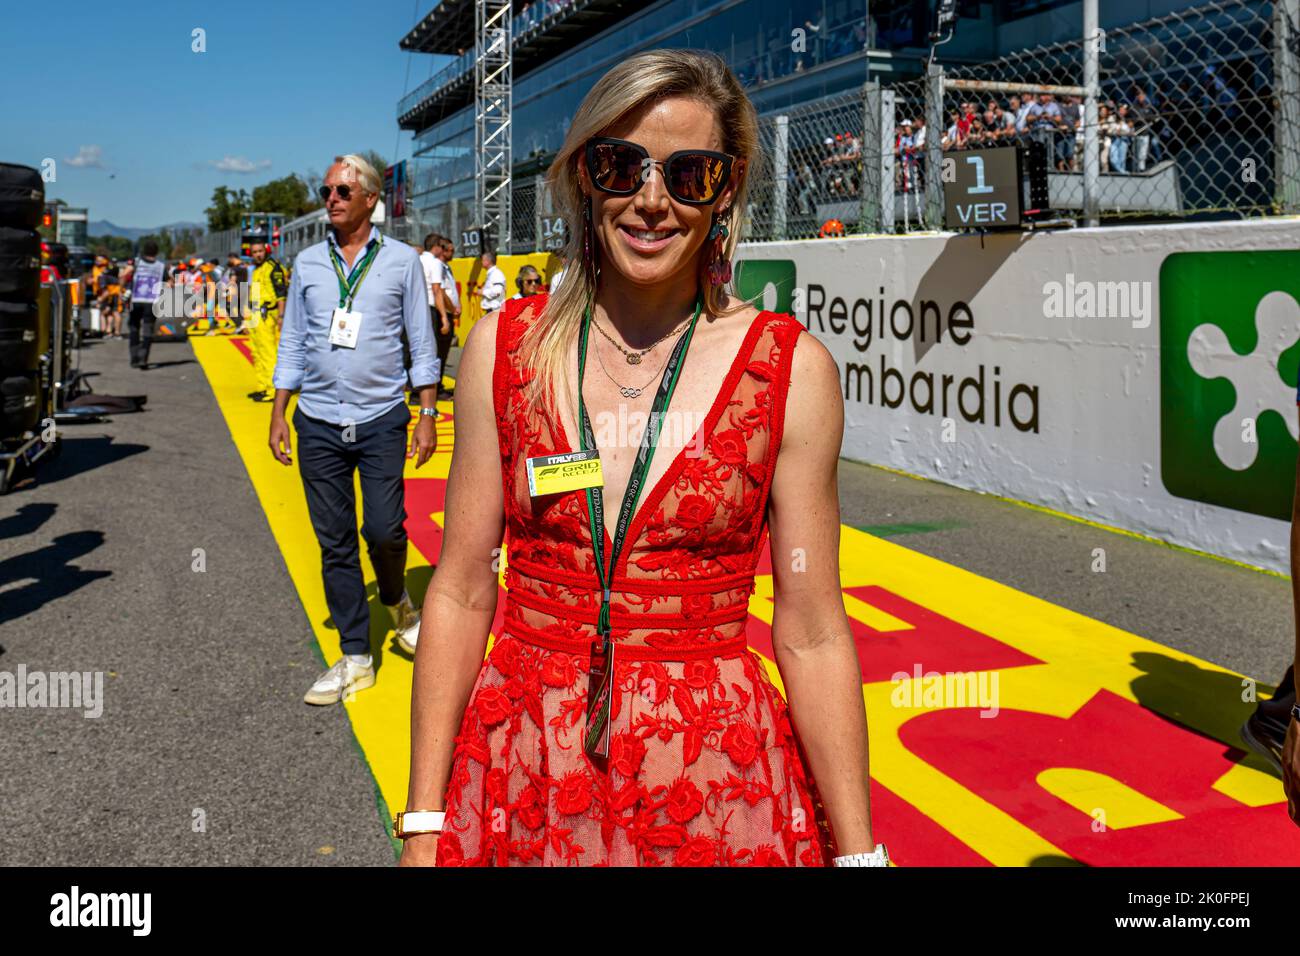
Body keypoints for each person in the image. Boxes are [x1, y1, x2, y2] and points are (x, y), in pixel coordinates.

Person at [398, 49, 881, 867]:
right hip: (526, 774)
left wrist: (861, 855)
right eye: (621, 166)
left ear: (724, 191)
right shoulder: (503, 349)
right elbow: (461, 588)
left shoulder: (790, 369)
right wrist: (423, 821)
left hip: (714, 794)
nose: (651, 200)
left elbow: (812, 629)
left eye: (689, 174)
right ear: (585, 176)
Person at [268, 154, 440, 705]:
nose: (332, 199)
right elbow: (293, 339)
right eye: (326, 190)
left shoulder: (401, 263)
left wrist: (428, 413)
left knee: (386, 529)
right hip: (317, 419)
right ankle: (355, 655)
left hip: (382, 417)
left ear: (371, 199)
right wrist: (279, 411)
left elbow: (421, 337)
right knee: (333, 540)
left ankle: (396, 598)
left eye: (343, 190)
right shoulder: (308, 264)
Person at [248, 241, 288, 402]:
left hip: (267, 314)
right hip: (256, 314)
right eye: (254, 252)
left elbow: (281, 294)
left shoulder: (273, 267)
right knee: (257, 352)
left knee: (268, 353)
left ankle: (272, 390)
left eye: (260, 251)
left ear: (266, 251)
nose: (257, 254)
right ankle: (262, 385)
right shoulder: (257, 269)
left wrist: (281, 316)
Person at [419, 233, 454, 401]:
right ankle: (433, 390)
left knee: (421, 350)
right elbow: (436, 290)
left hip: (418, 309)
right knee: (435, 351)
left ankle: (417, 389)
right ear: (436, 247)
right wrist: (444, 318)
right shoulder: (434, 263)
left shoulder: (417, 260)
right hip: (431, 310)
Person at [125, 240, 167, 369]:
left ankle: (134, 358)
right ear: (156, 252)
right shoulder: (161, 266)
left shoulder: (137, 263)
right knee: (148, 330)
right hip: (152, 302)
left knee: (134, 328)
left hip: (136, 300)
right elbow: (167, 283)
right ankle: (144, 358)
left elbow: (125, 275)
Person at [477, 250, 506, 315]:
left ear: (488, 261)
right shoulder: (493, 274)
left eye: (483, 260)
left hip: (496, 311)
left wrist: (483, 292)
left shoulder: (496, 274)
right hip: (494, 311)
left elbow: (498, 291)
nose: (481, 262)